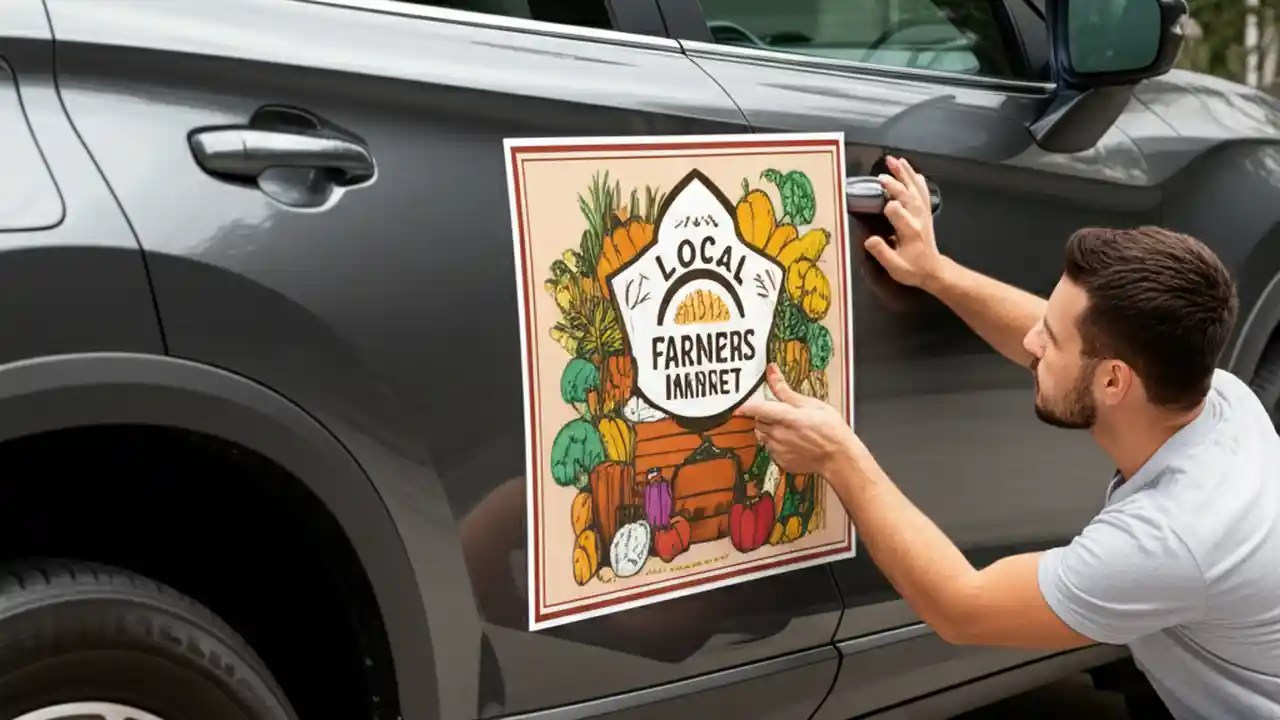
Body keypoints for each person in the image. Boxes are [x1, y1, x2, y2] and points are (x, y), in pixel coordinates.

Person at [736, 156, 1280, 720]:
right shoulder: (1217, 398)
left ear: (1115, 380)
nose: (1031, 341)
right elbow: (1065, 340)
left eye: (1051, 339)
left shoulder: (1172, 541)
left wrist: (840, 455)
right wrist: (935, 272)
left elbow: (961, 608)